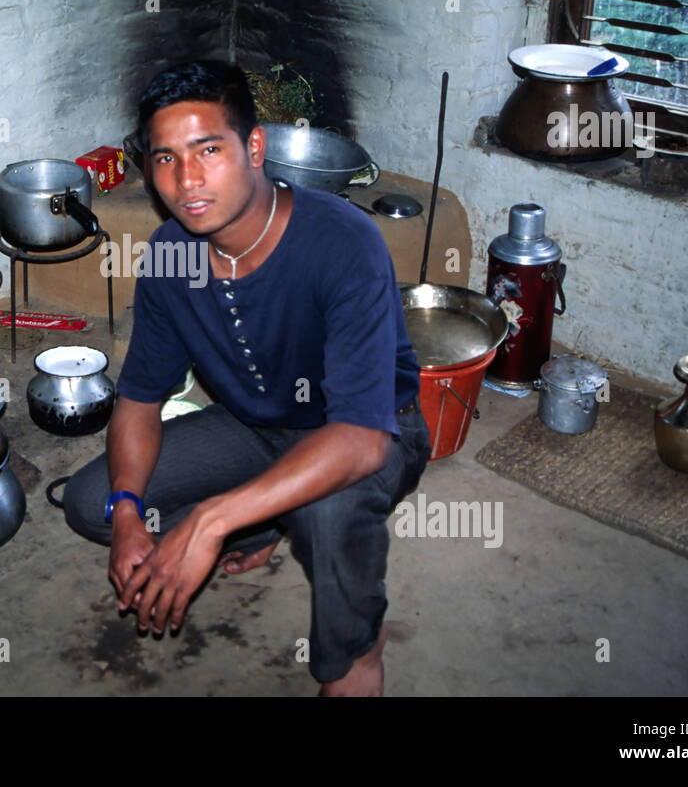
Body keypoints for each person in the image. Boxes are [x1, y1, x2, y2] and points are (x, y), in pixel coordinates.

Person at [62, 60, 430, 695]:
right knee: (91, 502)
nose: (188, 180)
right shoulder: (172, 258)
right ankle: (263, 521)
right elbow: (140, 403)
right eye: (166, 159)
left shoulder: (343, 241)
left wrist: (210, 519)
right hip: (254, 427)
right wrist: (126, 513)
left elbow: (361, 440)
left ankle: (357, 655)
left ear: (254, 148)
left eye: (209, 149)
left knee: (330, 506)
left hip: (369, 429)